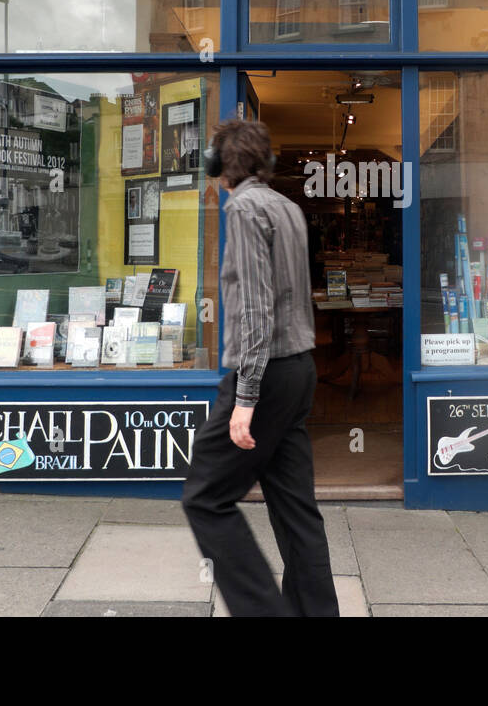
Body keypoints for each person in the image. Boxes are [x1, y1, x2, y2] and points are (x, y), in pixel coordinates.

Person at [181, 118, 340, 616]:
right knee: (296, 512)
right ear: (263, 161)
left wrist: (244, 399)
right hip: (298, 371)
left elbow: (255, 307)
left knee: (204, 497)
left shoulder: (246, 209)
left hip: (264, 375)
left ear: (220, 165)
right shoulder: (288, 207)